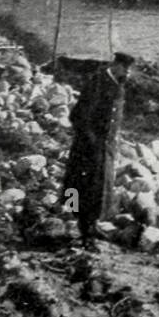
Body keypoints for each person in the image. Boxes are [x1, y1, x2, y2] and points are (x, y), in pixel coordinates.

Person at [62, 52, 135, 247]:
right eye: (125, 69)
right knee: (84, 186)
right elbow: (78, 116)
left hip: (106, 147)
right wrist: (91, 142)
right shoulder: (98, 83)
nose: (128, 73)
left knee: (101, 187)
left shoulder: (118, 86)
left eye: (129, 70)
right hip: (89, 147)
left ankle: (92, 225)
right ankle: (84, 230)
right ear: (116, 65)